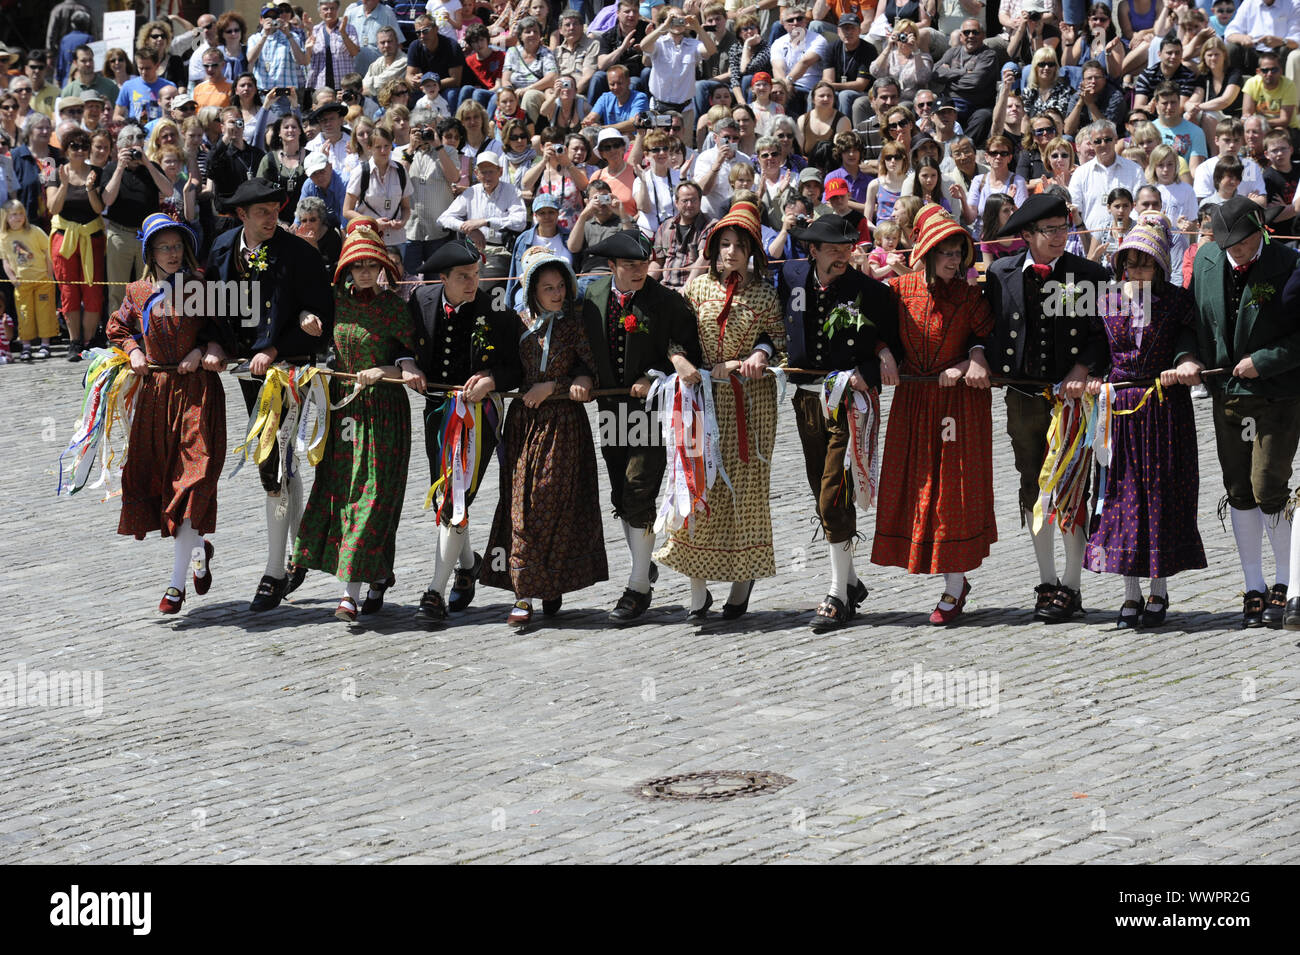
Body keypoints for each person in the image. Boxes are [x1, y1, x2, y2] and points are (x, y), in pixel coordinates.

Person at [205, 177, 334, 612]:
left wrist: (276, 349)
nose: (270, 217)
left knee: (275, 460)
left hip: (288, 370)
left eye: (274, 209)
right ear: (241, 214)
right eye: (260, 211)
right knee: (279, 463)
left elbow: (320, 321)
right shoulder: (223, 249)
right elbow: (213, 309)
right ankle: (294, 557)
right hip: (246, 373)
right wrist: (216, 346)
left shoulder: (300, 253)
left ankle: (275, 571)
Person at [985, 193, 1112, 622]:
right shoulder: (1000, 273)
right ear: (1027, 235)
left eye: (1064, 228)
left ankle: (1072, 586)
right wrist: (980, 356)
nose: (1061, 237)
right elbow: (988, 327)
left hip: (1073, 399)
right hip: (1023, 396)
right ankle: (1046, 580)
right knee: (1033, 483)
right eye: (1050, 230)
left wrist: (1082, 367)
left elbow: (1105, 333)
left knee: (1072, 483)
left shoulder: (1091, 273)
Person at [655, 200, 784, 620]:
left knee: (743, 489)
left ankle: (741, 582)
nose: (730, 252)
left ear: (752, 252)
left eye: (739, 246)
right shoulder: (697, 288)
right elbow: (677, 339)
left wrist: (760, 352)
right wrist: (681, 362)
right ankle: (697, 592)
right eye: (724, 244)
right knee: (698, 486)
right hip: (703, 400)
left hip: (750, 402)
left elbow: (779, 340)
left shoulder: (765, 293)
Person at [1179, 196, 1300, 628]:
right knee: (1238, 490)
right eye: (1228, 243)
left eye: (1243, 244)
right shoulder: (1209, 258)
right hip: (1226, 394)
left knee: (1269, 486)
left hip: (1277, 394)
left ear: (1260, 233)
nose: (1236, 251)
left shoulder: (1288, 264)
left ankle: (1287, 585)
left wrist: (1264, 360)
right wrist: (1187, 356)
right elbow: (1189, 321)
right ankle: (1254, 586)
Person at [871, 206, 995, 624]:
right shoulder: (899, 291)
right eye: (945, 252)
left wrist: (969, 362)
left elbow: (987, 339)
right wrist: (884, 352)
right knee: (918, 487)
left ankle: (954, 585)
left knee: (951, 495)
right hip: (914, 401)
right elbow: (870, 329)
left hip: (958, 405)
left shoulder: (971, 295)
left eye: (959, 252)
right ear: (925, 251)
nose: (954, 260)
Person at [1083, 214, 1207, 628]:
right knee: (1122, 500)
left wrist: (1183, 362)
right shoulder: (1106, 301)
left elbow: (1188, 342)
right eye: (1130, 263)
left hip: (1163, 408)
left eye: (1145, 263)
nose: (1137, 271)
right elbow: (1096, 350)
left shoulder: (1175, 302)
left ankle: (1159, 592)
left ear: (1160, 266)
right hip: (1119, 412)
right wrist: (1091, 378)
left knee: (1159, 497)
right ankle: (1130, 595)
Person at [107, 213, 233, 614]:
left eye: (177, 246)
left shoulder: (202, 286)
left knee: (191, 482)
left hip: (197, 394)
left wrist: (205, 350)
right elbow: (117, 327)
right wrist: (135, 351)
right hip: (157, 397)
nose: (172, 253)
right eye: (164, 247)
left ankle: (175, 587)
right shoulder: (138, 290)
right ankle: (198, 551)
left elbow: (225, 331)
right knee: (168, 482)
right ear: (149, 251)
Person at [579, 229, 704, 623]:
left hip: (649, 409)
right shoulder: (593, 297)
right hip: (609, 407)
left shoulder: (666, 301)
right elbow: (582, 348)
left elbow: (684, 350)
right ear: (612, 266)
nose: (640, 271)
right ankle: (641, 563)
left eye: (644, 263)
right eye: (630, 265)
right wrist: (582, 376)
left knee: (638, 487)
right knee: (620, 492)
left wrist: (655, 376)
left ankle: (636, 588)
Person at [292, 222, 413, 623]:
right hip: (344, 410)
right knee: (344, 494)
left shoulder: (396, 307)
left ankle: (350, 594)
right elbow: (300, 318)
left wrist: (385, 369)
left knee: (375, 497)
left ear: (382, 265)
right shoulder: (333, 302)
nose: (364, 272)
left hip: (385, 414)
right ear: (345, 268)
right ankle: (375, 574)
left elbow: (413, 366)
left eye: (370, 264)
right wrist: (307, 316)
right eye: (356, 265)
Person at [777, 214, 892, 632]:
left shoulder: (868, 290)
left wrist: (876, 357)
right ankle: (851, 581)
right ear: (812, 251)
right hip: (806, 401)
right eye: (833, 249)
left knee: (834, 493)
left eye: (847, 247)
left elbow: (891, 333)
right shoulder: (790, 276)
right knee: (819, 491)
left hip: (847, 401)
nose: (843, 255)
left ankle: (836, 595)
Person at [480, 247, 607, 625]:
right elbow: (505, 369)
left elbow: (591, 371)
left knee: (550, 502)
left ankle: (550, 583)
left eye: (560, 287)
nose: (556, 294)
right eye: (547, 287)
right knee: (520, 505)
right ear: (532, 289)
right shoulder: (516, 322)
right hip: (523, 425)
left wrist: (557, 385)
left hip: (563, 426)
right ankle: (524, 594)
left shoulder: (574, 324)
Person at [401, 239, 521, 623]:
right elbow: (400, 342)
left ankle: (434, 591)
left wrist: (492, 378)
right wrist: (407, 364)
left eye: (476, 275)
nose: (474, 283)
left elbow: (520, 364)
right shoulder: (421, 302)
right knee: (447, 497)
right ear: (443, 278)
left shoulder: (495, 308)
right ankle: (468, 565)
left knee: (457, 497)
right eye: (464, 277)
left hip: (478, 415)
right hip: (437, 410)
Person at [46, 127, 104, 362]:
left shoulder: (97, 172)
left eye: (83, 147)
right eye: (74, 147)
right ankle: (74, 341)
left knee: (93, 291)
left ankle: (89, 342)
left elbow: (99, 209)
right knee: (68, 291)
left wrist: (90, 188)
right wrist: (64, 184)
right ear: (66, 149)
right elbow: (53, 208)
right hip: (64, 238)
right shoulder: (54, 171)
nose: (79, 151)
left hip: (91, 236)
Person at [437, 150, 526, 279]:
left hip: (501, 251)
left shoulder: (511, 191)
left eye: (491, 171)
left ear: (500, 172)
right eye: (483, 172)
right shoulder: (471, 192)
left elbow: (520, 222)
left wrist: (486, 222)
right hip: (472, 250)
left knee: (485, 283)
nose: (487, 176)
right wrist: (469, 229)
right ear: (476, 174)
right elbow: (443, 219)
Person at [0, 200, 56, 362]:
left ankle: (45, 344)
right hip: (22, 284)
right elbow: (6, 262)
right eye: (13, 215)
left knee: (44, 311)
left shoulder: (35, 231)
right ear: (6, 218)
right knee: (24, 314)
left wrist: (49, 275)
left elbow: (48, 253)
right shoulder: (4, 237)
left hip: (42, 281)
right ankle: (26, 345)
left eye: (21, 214)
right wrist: (12, 279)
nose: (18, 218)